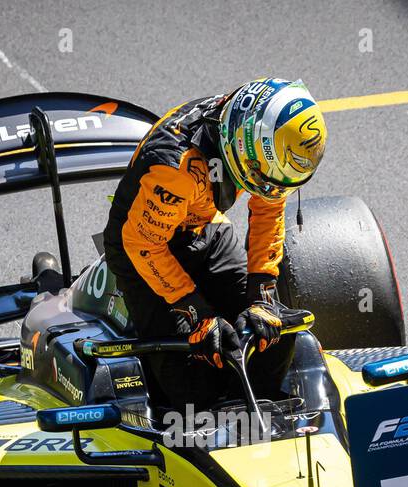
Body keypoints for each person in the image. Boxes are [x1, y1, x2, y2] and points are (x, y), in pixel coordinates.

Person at [103, 78, 327, 411]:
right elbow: (144, 244)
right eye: (262, 175)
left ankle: (260, 410)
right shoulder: (175, 167)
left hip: (205, 227)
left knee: (272, 336)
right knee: (194, 385)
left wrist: (262, 293)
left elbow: (268, 205)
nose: (269, 186)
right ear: (242, 146)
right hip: (142, 247)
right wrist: (197, 312)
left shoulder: (262, 138)